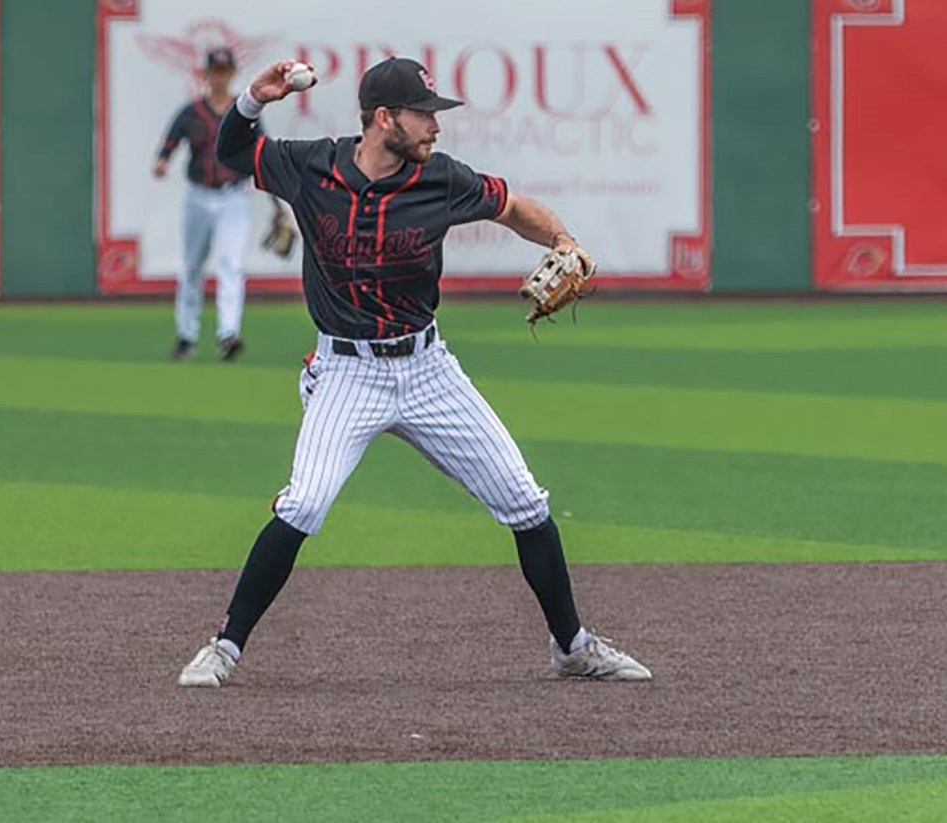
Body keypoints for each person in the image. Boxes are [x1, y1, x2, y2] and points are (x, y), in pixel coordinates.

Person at [177, 57, 652, 686]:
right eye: (424, 115)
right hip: (347, 372)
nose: (436, 127)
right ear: (384, 119)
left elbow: (511, 207)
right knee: (304, 505)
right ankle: (224, 647)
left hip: (429, 370)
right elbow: (235, 152)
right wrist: (253, 101)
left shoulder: (442, 180)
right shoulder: (311, 167)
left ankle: (573, 646)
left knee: (523, 501)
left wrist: (563, 241)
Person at [153, 47, 295, 361]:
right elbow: (170, 141)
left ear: (231, 73)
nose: (219, 77)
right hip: (198, 195)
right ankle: (186, 335)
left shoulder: (242, 111)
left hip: (234, 195)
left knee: (231, 265)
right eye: (215, 71)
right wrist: (162, 160)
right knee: (192, 267)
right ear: (207, 74)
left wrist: (276, 200)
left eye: (224, 71)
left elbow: (262, 154)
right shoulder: (192, 112)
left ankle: (228, 334)